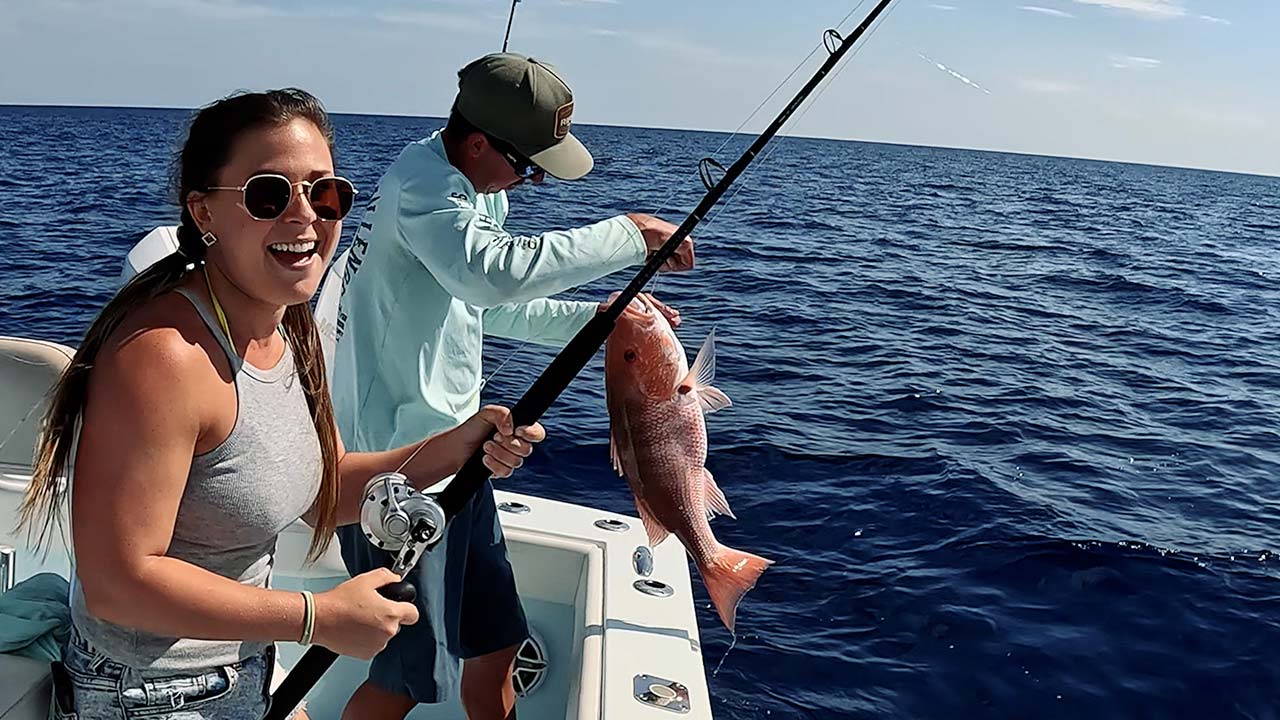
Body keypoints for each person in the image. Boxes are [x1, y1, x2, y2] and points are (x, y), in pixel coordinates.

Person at [17, 88, 545, 720]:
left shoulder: (288, 328)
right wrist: (315, 617)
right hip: (148, 695)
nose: (304, 217)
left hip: (241, 668)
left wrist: (457, 445)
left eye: (324, 194)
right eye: (269, 195)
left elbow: (325, 490)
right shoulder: (164, 356)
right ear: (203, 212)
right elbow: (117, 583)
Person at [329, 53, 692, 719]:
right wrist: (627, 234)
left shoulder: (469, 187)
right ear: (476, 142)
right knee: (403, 674)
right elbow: (490, 275)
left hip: (455, 458)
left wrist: (600, 323)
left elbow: (487, 301)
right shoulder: (423, 188)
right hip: (395, 475)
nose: (529, 183)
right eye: (526, 166)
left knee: (496, 642)